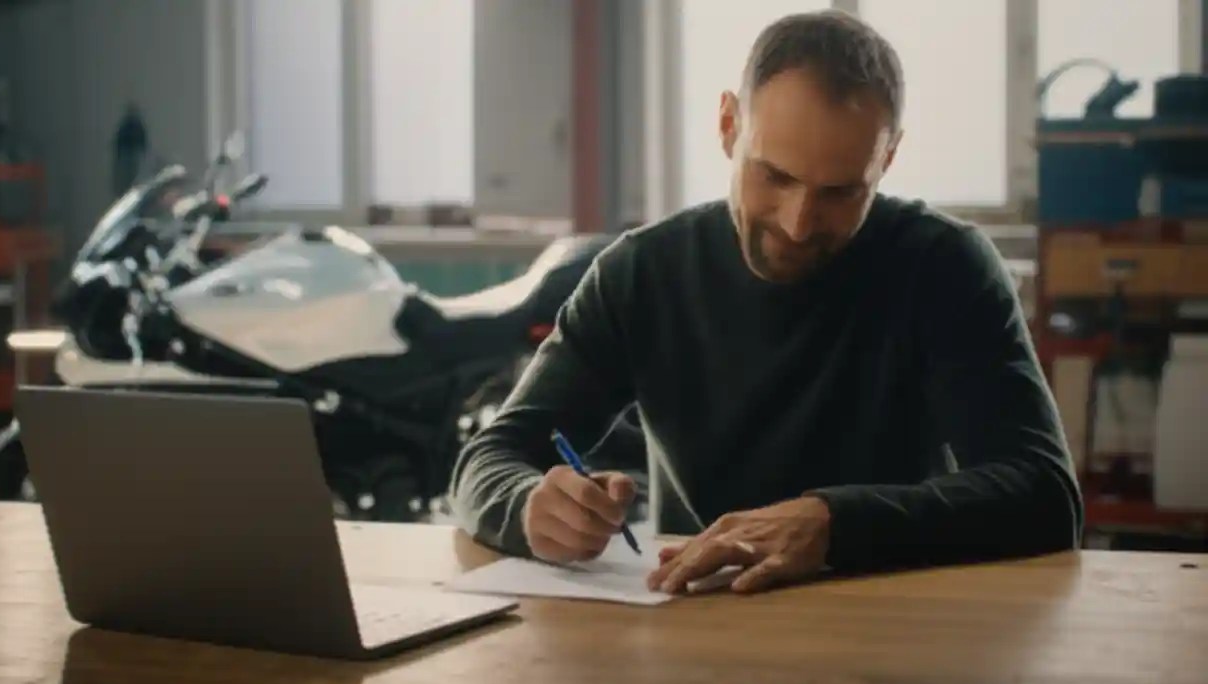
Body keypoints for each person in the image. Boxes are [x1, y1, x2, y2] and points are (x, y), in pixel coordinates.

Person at [449, 10, 1083, 594]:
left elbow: (1044, 493)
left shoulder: (946, 267)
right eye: (774, 176)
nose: (799, 223)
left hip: (889, 619)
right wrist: (530, 505)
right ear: (729, 126)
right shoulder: (641, 274)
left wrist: (833, 524)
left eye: (840, 193)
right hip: (691, 623)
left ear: (887, 159)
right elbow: (490, 460)